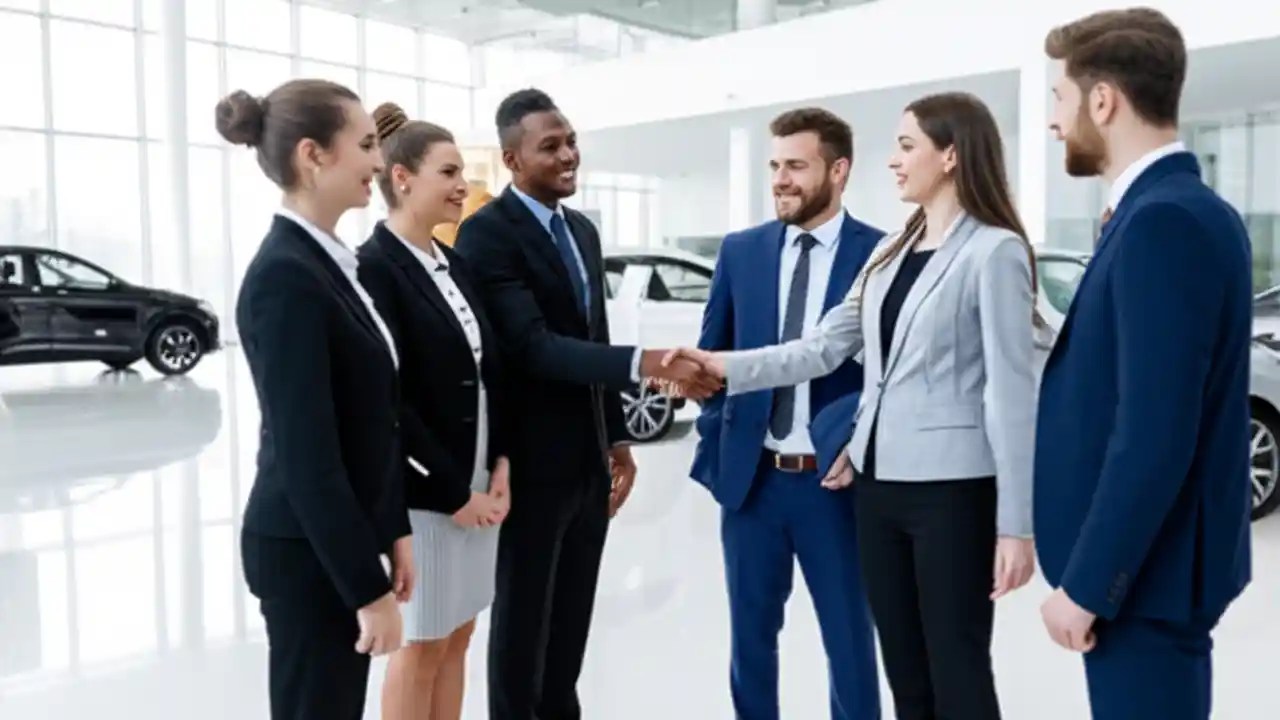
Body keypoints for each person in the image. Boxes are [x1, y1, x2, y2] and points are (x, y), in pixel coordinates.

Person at [667, 92, 1039, 720]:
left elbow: (1011, 391)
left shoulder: (993, 250)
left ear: (950, 156)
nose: (892, 161)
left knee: (953, 665)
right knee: (906, 671)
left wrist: (1016, 524)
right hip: (878, 488)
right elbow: (820, 349)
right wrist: (721, 367)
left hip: (945, 488)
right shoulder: (894, 250)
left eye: (904, 146)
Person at [453, 88, 718, 720]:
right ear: (512, 160)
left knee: (571, 626)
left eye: (571, 140)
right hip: (528, 467)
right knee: (522, 634)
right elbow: (534, 348)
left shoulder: (582, 229)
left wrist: (617, 437)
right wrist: (646, 365)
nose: (569, 155)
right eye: (551, 146)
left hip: (586, 465)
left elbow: (591, 331)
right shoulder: (487, 234)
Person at [1034, 9, 1252, 719]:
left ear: (1104, 100)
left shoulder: (1163, 222)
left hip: (1146, 585)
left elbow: (1155, 433)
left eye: (1059, 99)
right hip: (1155, 580)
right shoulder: (1176, 211)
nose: (1053, 122)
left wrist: (1092, 584)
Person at [219, 79, 413, 720]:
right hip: (307, 554)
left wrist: (394, 531)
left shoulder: (329, 263)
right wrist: (366, 588)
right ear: (313, 155)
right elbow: (308, 453)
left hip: (336, 541)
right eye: (363, 145)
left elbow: (369, 420)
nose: (378, 163)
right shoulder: (284, 276)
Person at [687, 107, 882, 720]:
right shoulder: (741, 251)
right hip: (753, 484)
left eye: (796, 165)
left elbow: (891, 374)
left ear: (838, 170)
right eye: (775, 165)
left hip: (837, 486)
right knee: (750, 642)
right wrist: (702, 407)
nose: (780, 179)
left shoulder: (881, 254)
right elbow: (713, 354)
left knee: (850, 645)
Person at [355, 102, 510, 720]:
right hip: (425, 497)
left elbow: (487, 376)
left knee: (459, 633)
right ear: (402, 179)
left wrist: (499, 467)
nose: (462, 187)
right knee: (420, 644)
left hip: (477, 487)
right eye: (448, 173)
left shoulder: (454, 265)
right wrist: (454, 494)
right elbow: (389, 402)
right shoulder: (374, 268)